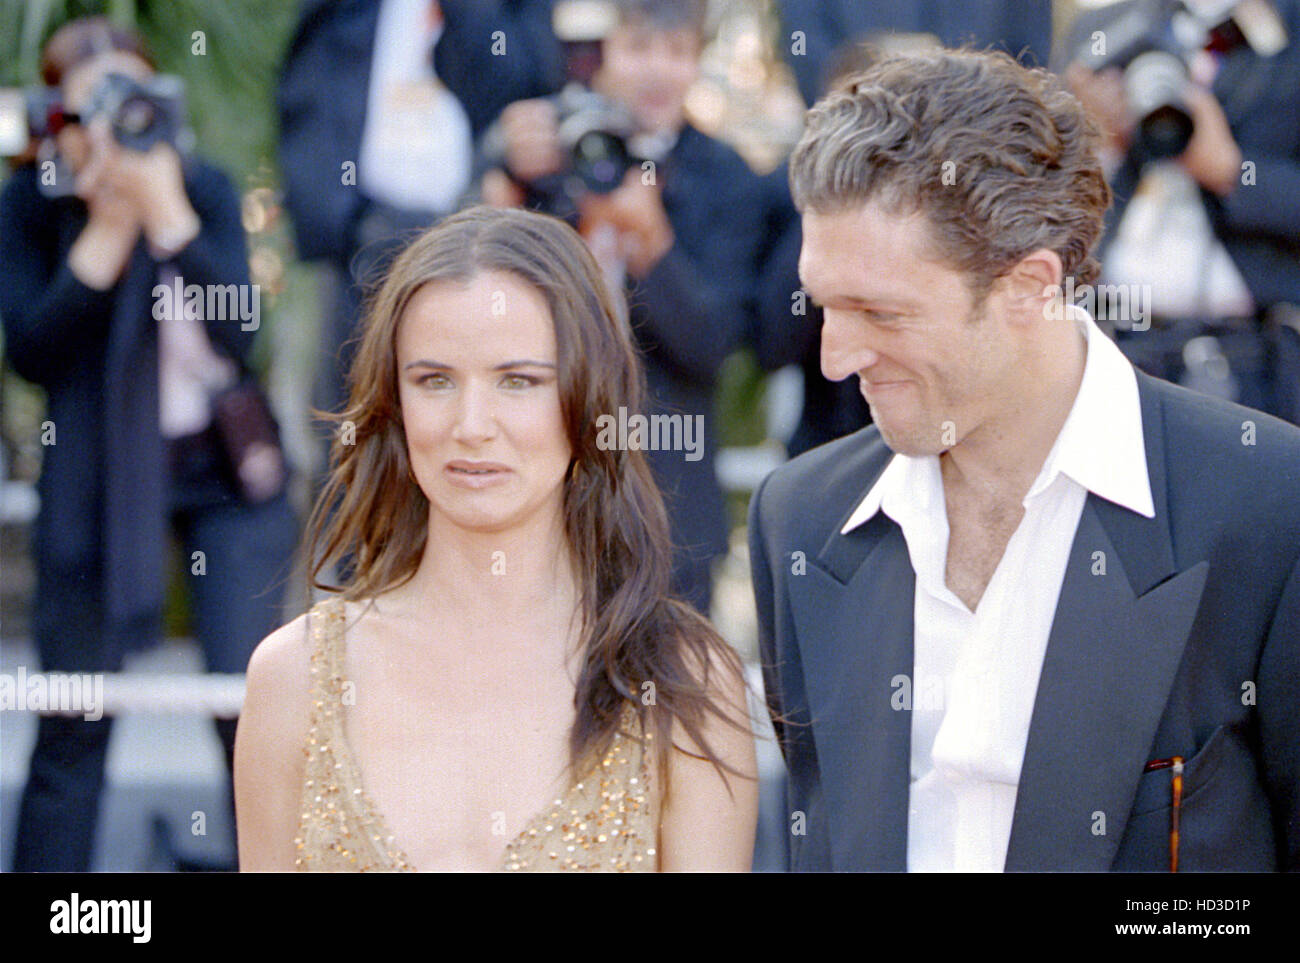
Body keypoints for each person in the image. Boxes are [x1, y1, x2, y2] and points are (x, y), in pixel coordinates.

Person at [748, 47, 1300, 871]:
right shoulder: (801, 516)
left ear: (1030, 285)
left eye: (881, 312)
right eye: (825, 304)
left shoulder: (1268, 505)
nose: (833, 357)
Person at [234, 205, 758, 872]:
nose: (472, 424)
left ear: (587, 396)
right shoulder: (293, 678)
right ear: (394, 402)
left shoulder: (683, 682)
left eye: (518, 380)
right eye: (435, 380)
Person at [0, 17, 299, 871]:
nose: (121, 119)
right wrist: (103, 231)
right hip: (95, 483)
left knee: (250, 709)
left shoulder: (199, 185)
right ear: (60, 116)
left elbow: (245, 337)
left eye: (135, 95)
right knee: (73, 715)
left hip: (222, 476)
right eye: (98, 104)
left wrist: (166, 214)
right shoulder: (32, 204)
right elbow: (33, 353)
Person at [481, 0, 767, 614]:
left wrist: (651, 244)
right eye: (639, 49)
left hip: (671, 505)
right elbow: (479, 305)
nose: (658, 72)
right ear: (601, 55)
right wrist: (503, 174)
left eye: (678, 51)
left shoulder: (726, 177)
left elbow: (713, 346)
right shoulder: (547, 146)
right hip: (538, 492)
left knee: (668, 700)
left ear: (697, 60)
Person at [276, 0, 564, 466]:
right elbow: (307, 80)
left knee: (472, 433)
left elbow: (519, 84)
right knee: (351, 443)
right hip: (360, 246)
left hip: (480, 241)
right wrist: (334, 218)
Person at [1056, 0, 1300, 423]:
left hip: (1260, 356)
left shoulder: (1288, 33)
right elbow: (1032, 203)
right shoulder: (1102, 31)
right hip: (1108, 343)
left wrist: (1232, 172)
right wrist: (1097, 146)